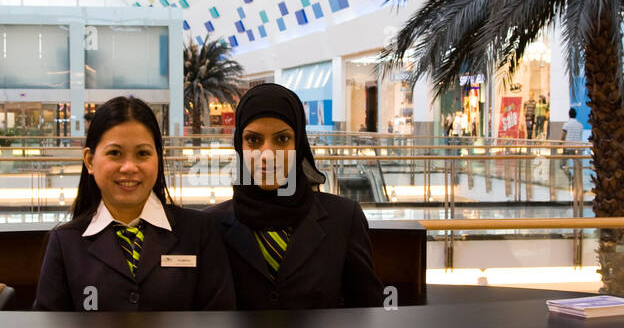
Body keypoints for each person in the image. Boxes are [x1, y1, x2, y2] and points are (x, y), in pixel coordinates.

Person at [33, 96, 234, 311]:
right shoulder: (65, 242)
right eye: (115, 153)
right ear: (90, 161)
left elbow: (219, 323)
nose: (129, 167)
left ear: (159, 158)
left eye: (143, 153)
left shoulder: (199, 232)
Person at [207, 83, 383, 310]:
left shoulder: (343, 219)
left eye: (281, 140)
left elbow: (367, 308)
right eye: (253, 140)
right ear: (239, 145)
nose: (267, 155)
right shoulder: (210, 226)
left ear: (298, 144)